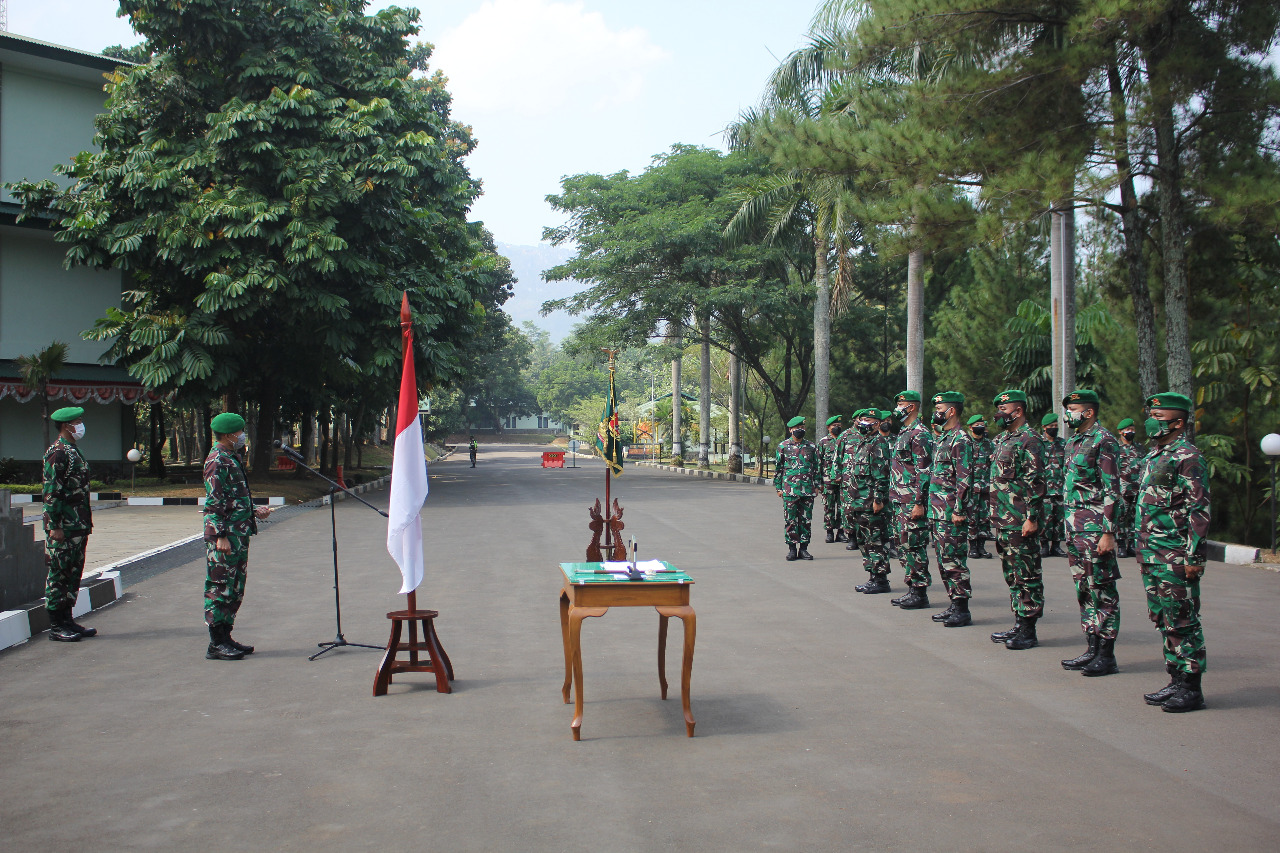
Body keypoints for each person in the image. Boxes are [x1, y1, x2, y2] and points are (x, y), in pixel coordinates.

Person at [1135, 393, 1210, 713]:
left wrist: (1194, 557)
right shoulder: (1154, 455)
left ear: (1178, 422)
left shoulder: (1188, 456)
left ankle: (1192, 687)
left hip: (1175, 553)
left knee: (1183, 619)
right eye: (1151, 415)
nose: (1151, 420)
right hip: (1151, 552)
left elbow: (1199, 509)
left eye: (1159, 416)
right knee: (1163, 618)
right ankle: (1176, 678)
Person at [1059, 390, 1124, 675]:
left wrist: (1108, 532)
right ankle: (1092, 647)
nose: (1068, 414)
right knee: (1084, 590)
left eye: (1073, 409)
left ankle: (1106, 655)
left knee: (1102, 590)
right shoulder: (1073, 442)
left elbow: (1112, 489)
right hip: (1075, 528)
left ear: (1089, 412)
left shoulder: (1103, 440)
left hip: (1096, 529)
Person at [203, 412, 272, 660]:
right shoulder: (217, 460)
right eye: (240, 432)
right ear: (229, 435)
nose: (242, 436)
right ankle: (216, 643)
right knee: (220, 586)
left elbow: (234, 497)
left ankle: (226, 636)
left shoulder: (232, 457)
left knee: (234, 587)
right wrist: (219, 535)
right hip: (226, 536)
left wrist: (254, 511)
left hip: (239, 534)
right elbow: (214, 502)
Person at [987, 390, 1045, 650]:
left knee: (1027, 574)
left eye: (1004, 409)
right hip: (1003, 519)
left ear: (1018, 411)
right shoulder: (1003, 439)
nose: (999, 413)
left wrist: (1032, 517)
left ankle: (1028, 629)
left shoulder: (1029, 439)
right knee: (1012, 574)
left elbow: (1036, 482)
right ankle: (1019, 621)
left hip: (1021, 520)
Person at [41, 406, 95, 642]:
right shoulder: (58, 452)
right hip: (63, 525)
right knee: (59, 574)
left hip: (77, 523)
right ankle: (56, 626)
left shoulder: (73, 450)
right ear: (66, 426)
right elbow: (52, 491)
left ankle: (67, 620)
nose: (81, 426)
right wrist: (54, 525)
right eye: (77, 422)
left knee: (73, 573)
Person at [926, 392, 975, 627]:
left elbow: (964, 479)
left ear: (951, 411)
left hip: (951, 513)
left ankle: (962, 609)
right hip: (938, 511)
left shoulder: (960, 440)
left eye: (940, 408)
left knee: (954, 561)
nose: (936, 413)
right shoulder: (944, 438)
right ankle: (953, 603)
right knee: (944, 560)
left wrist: (959, 510)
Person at [888, 392, 934, 610]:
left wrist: (919, 502)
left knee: (915, 545)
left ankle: (919, 591)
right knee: (904, 544)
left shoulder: (920, 434)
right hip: (900, 499)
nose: (898, 408)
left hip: (912, 501)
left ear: (912, 407)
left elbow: (924, 471)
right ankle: (912, 587)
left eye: (901, 404)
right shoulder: (905, 432)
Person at [847, 410, 892, 594]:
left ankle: (881, 580)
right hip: (860, 501)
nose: (863, 422)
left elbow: (881, 475)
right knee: (865, 541)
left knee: (875, 541)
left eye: (868, 420)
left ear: (877, 423)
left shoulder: (878, 443)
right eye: (862, 419)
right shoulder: (864, 442)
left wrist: (879, 499)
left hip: (871, 502)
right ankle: (873, 576)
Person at [773, 416, 819, 561]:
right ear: (790, 429)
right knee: (790, 520)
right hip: (789, 490)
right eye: (797, 428)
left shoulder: (811, 447)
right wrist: (778, 488)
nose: (800, 430)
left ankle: (804, 549)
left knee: (806, 520)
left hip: (807, 490)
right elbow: (779, 468)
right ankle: (792, 549)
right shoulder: (783, 446)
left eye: (802, 427)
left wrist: (817, 485)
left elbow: (816, 467)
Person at [836, 410, 866, 551]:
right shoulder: (845, 436)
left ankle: (863, 537)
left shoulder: (869, 435)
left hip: (865, 481)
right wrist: (836, 476)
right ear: (855, 420)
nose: (863, 422)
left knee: (864, 510)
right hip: (848, 481)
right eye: (861, 419)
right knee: (848, 510)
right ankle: (852, 537)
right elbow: (837, 458)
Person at [967, 414, 995, 559]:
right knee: (972, 518)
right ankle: (972, 547)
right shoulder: (966, 443)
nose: (980, 427)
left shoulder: (990, 444)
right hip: (971, 488)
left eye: (982, 425)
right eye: (977, 425)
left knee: (984, 518)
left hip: (986, 487)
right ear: (970, 427)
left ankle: (982, 547)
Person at [1040, 412, 1067, 557]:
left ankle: (1056, 546)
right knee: (1045, 519)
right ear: (1044, 427)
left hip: (1060, 488)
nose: (1054, 428)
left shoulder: (1063, 444)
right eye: (1051, 426)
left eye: (1056, 426)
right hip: (1044, 489)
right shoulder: (1039, 443)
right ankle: (1044, 545)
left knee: (1059, 519)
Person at [1115, 418, 1143, 558]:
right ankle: (1121, 545)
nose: (1130, 432)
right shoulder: (1115, 448)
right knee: (1120, 517)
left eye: (1132, 429)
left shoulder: (1139, 447)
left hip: (1137, 488)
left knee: (1135, 517)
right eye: (1127, 430)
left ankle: (1132, 544)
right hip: (1122, 489)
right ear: (1120, 432)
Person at [876, 411, 901, 559]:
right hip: (879, 483)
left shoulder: (897, 439)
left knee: (893, 516)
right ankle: (880, 545)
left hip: (894, 483)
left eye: (889, 420)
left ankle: (892, 545)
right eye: (883, 420)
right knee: (878, 516)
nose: (886, 423)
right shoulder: (874, 440)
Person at [817, 416, 844, 543]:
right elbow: (818, 463)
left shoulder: (844, 440)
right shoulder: (823, 442)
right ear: (828, 427)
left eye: (838, 425)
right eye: (834, 425)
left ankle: (841, 532)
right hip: (827, 481)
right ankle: (829, 532)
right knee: (829, 507)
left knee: (842, 507)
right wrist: (819, 482)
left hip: (843, 480)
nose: (837, 427)